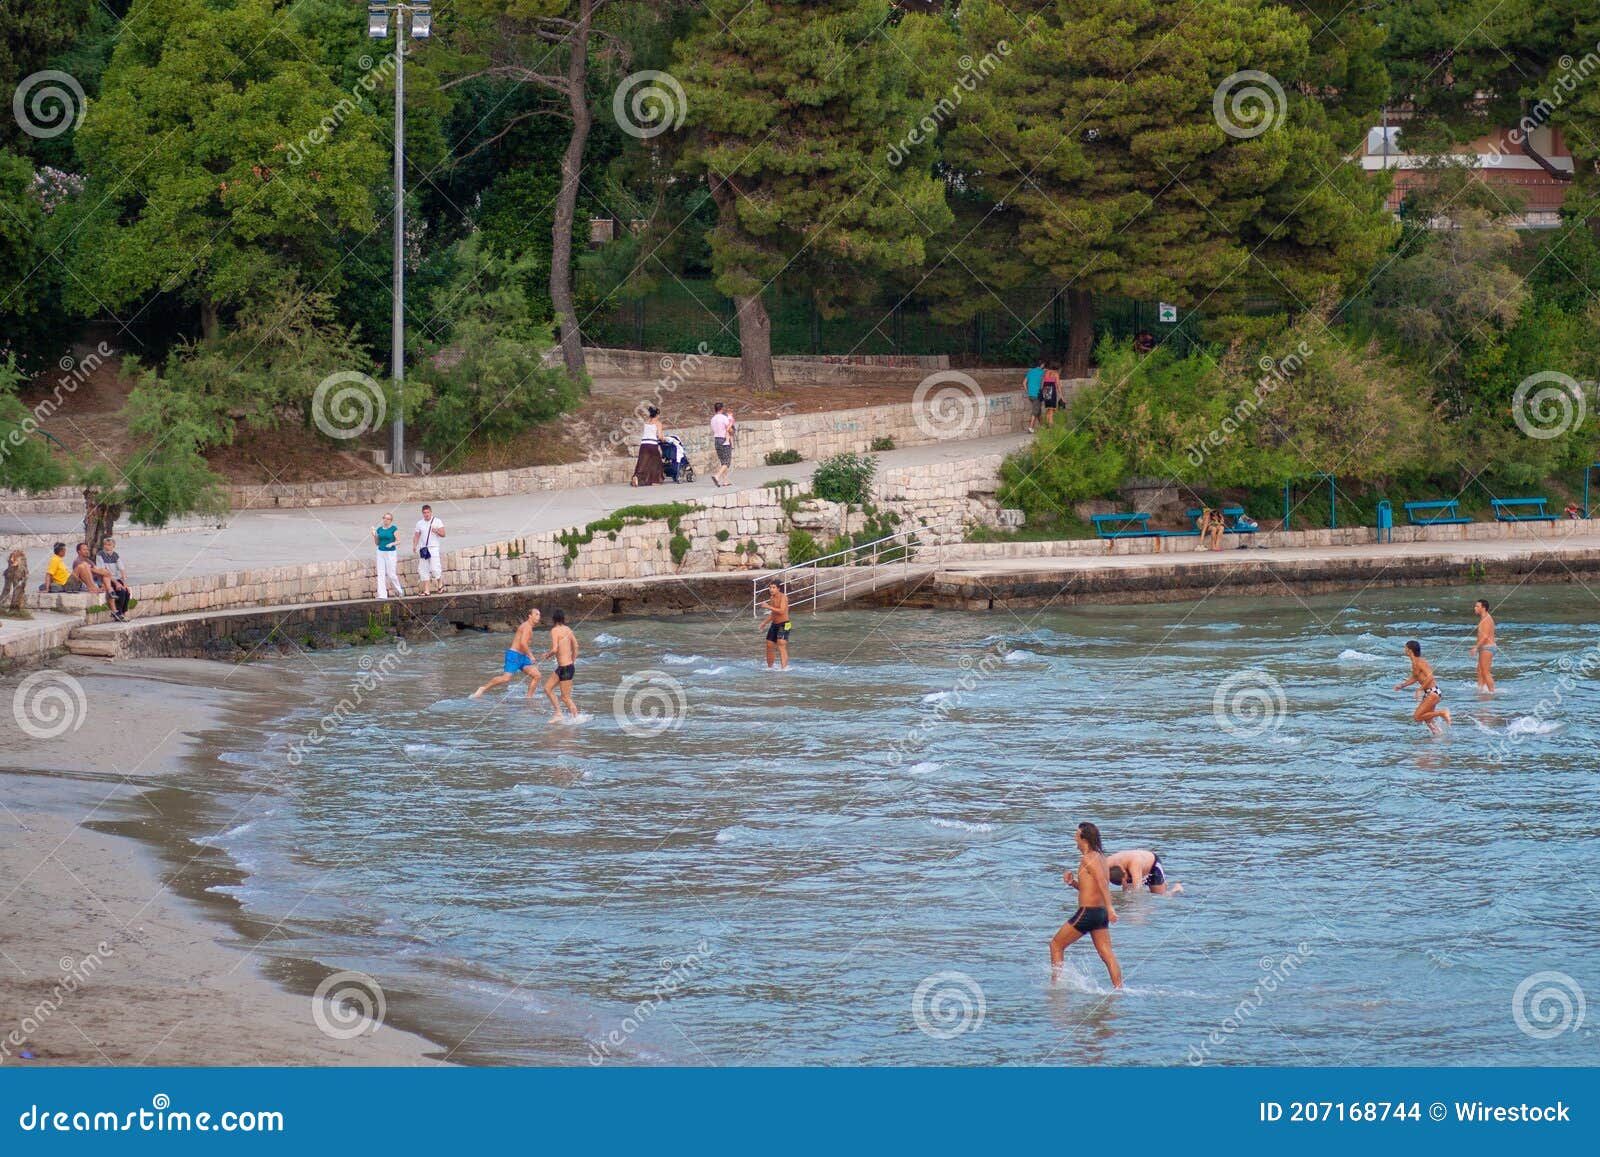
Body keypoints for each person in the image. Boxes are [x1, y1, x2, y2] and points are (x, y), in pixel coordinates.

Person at [1050, 821, 1122, 988]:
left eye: (1076, 835)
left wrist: (1111, 908)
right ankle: (1118, 989)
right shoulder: (1101, 858)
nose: (1074, 838)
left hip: (1088, 912)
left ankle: (1056, 987)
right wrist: (1073, 883)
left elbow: (1103, 883)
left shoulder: (1088, 858)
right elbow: (1091, 888)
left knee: (1056, 944)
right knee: (1107, 954)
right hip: (1100, 913)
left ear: (1084, 838)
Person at [471, 607, 542, 699]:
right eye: (536, 614)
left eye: (539, 615)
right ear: (530, 616)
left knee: (537, 675)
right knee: (505, 678)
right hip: (514, 655)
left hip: (523, 657)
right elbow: (523, 643)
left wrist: (527, 655)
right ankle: (483, 688)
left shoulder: (529, 627)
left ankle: (528, 698)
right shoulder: (526, 626)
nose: (538, 616)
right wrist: (531, 655)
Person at [1395, 639, 1452, 735]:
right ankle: (1438, 735)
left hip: (1433, 692)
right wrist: (1402, 686)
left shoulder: (1420, 662)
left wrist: (1419, 689)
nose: (1404, 650)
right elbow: (1415, 678)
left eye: (1405, 648)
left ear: (1410, 650)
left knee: (1417, 716)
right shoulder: (1414, 663)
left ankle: (1442, 712)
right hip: (1429, 692)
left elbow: (1430, 677)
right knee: (1427, 719)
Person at [541, 608, 580, 721]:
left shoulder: (554, 631)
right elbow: (576, 646)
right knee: (547, 688)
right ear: (563, 619)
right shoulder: (568, 629)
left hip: (566, 668)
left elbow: (554, 649)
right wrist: (573, 661)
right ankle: (558, 713)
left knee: (565, 698)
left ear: (554, 619)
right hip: (565, 667)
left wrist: (546, 656)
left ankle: (577, 719)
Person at [1106, 849, 1182, 895]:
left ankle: (1176, 888)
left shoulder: (1135, 864)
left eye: (1125, 881)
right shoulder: (1106, 864)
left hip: (1152, 865)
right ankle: (1163, 884)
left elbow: (1137, 891)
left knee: (1162, 896)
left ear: (1124, 872)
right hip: (1130, 868)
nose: (1126, 882)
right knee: (1127, 894)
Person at [413, 504, 445, 596]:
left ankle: (440, 584)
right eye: (424, 513)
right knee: (423, 569)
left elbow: (443, 534)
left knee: (435, 568)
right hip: (423, 548)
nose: (426, 514)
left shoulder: (437, 521)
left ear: (431, 512)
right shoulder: (419, 523)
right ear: (422, 513)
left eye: (427, 512)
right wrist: (414, 545)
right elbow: (416, 535)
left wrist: (436, 531)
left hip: (434, 547)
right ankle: (427, 590)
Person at [97, 537, 132, 621]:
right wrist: (117, 583)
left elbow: (122, 570)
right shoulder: (100, 555)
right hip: (106, 578)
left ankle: (124, 612)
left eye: (109, 545)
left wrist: (125, 584)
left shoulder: (115, 555)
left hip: (115, 578)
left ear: (113, 546)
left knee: (126, 591)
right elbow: (103, 572)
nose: (107, 546)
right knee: (121, 591)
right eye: (105, 544)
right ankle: (118, 613)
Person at [759, 579, 791, 670]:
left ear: (778, 589)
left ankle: (784, 669)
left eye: (773, 588)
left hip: (785, 624)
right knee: (769, 644)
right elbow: (773, 614)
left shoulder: (783, 597)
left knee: (781, 644)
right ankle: (770, 668)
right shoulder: (772, 598)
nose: (771, 589)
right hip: (775, 624)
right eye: (770, 587)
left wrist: (767, 606)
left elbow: (781, 611)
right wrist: (764, 623)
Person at [632, 405, 666, 487]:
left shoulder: (646, 422)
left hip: (644, 444)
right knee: (656, 462)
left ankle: (637, 477)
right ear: (657, 415)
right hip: (652, 444)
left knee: (642, 463)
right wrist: (664, 439)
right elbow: (660, 436)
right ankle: (655, 480)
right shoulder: (658, 423)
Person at [373, 513, 403, 600]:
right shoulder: (379, 529)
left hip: (390, 553)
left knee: (391, 573)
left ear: (391, 520)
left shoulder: (394, 529)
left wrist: (392, 543)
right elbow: (377, 543)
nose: (385, 520)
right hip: (380, 552)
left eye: (388, 519)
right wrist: (375, 535)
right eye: (384, 518)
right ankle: (382, 595)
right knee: (381, 574)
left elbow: (399, 541)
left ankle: (399, 590)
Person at [1470, 598, 1497, 693]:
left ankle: (1491, 692)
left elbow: (1485, 636)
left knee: (1485, 672)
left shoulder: (1486, 618)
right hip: (1485, 647)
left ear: (1483, 608)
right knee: (1480, 670)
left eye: (1477, 606)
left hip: (1487, 648)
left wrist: (1475, 647)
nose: (1475, 608)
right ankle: (1481, 689)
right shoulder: (1484, 617)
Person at [710, 402, 735, 488]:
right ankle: (717, 476)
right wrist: (732, 431)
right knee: (727, 462)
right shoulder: (724, 418)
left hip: (716, 440)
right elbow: (729, 430)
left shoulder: (712, 419)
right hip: (724, 440)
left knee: (722, 461)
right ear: (722, 409)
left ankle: (725, 480)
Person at [1023, 359, 1045, 433]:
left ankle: (1043, 427)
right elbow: (1043, 384)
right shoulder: (1042, 372)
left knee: (1038, 411)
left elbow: (1024, 383)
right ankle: (1030, 427)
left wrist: (1028, 391)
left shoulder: (1030, 371)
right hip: (1037, 394)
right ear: (1042, 365)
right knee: (1035, 411)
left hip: (1031, 395)